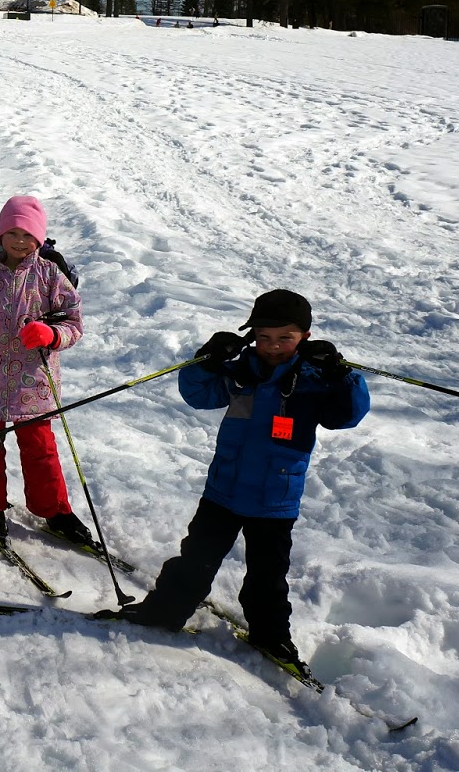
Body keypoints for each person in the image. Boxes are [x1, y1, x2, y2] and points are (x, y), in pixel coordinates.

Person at [116, 289, 369, 675]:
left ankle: (271, 634)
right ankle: (164, 611)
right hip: (224, 490)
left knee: (268, 577)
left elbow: (346, 416)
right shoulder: (241, 370)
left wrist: (342, 374)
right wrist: (209, 358)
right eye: (264, 337)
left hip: (275, 499)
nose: (273, 346)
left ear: (305, 335)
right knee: (195, 559)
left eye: (285, 338)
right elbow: (198, 394)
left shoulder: (315, 379)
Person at [0, 195, 95, 545]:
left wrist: (51, 334)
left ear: (39, 238)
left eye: (28, 235)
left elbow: (73, 324)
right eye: (12, 233)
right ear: (0, 235)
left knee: (40, 448)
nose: (20, 241)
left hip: (33, 383)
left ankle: (54, 509)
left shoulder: (50, 276)